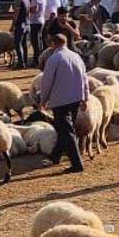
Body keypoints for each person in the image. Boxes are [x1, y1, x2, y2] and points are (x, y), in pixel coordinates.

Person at [33, 29, 88, 173]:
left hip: (61, 100)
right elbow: (84, 78)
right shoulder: (76, 56)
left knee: (67, 131)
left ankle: (77, 164)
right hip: (76, 98)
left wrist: (43, 100)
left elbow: (47, 82)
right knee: (64, 129)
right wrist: (85, 97)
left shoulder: (54, 59)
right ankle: (55, 156)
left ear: (53, 44)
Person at [10, 0, 34, 69]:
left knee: (17, 43)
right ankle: (25, 61)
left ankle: (21, 63)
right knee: (24, 44)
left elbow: (16, 14)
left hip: (20, 24)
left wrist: (13, 25)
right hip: (27, 23)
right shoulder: (27, 0)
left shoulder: (18, 0)